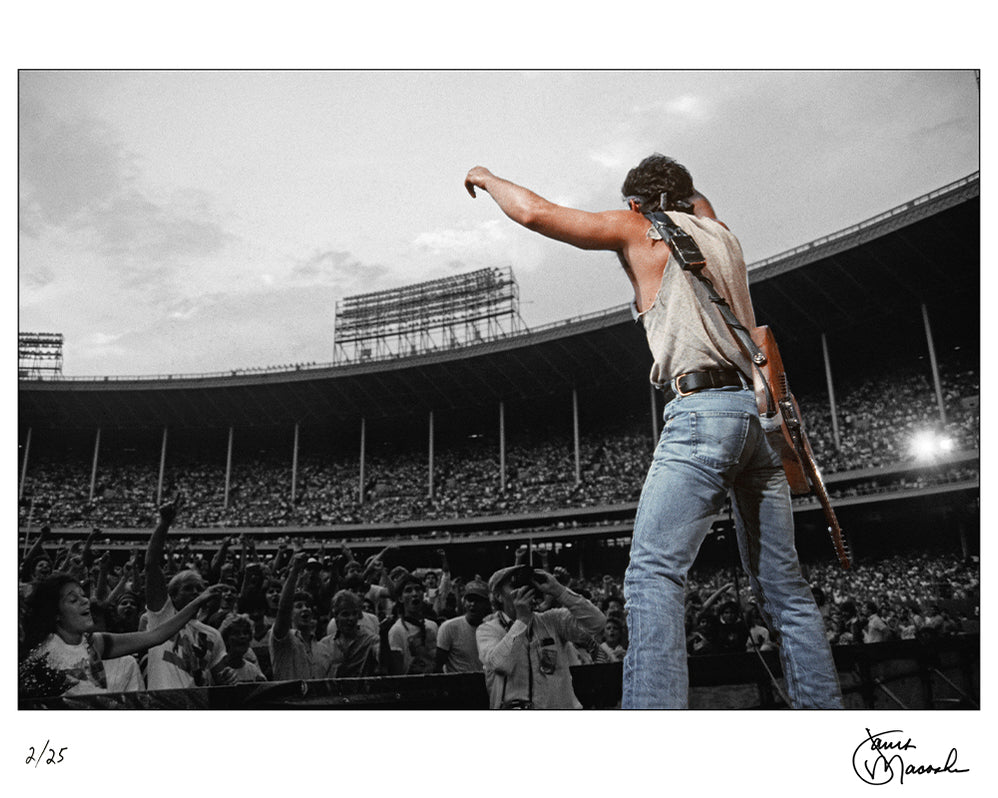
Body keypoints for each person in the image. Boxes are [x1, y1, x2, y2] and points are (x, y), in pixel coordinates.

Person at [465, 156, 842, 709]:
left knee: (653, 575)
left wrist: (484, 176)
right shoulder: (722, 234)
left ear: (638, 204)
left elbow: (535, 214)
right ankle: (823, 713)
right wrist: (681, 191)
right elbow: (698, 202)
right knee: (786, 592)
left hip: (701, 413)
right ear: (689, 197)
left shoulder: (636, 227)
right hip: (757, 419)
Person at [20, 572, 227, 699]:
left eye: (84, 596)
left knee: (127, 663)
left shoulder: (94, 643)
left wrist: (199, 601)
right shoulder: (42, 656)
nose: (85, 602)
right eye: (73, 600)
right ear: (56, 614)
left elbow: (156, 636)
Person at [476, 565, 605, 709]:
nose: (523, 590)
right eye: (514, 585)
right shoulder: (488, 630)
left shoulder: (553, 620)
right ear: (498, 596)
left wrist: (559, 590)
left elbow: (597, 623)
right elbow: (501, 665)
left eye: (527, 586)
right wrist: (522, 620)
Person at [143, 495, 236, 690]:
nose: (196, 593)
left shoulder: (212, 635)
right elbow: (151, 564)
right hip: (163, 708)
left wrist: (228, 679)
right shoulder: (162, 617)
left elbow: (221, 681)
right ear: (173, 595)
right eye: (188, 588)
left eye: (200, 589)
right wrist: (164, 524)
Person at [317, 590, 379, 678]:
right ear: (336, 616)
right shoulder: (325, 645)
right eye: (345, 614)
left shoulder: (370, 641)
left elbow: (382, 658)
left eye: (354, 613)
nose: (351, 618)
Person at [434, 578, 491, 673]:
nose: (473, 604)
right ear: (464, 602)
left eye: (478, 601)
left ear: (486, 604)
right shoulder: (448, 627)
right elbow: (437, 665)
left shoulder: (492, 629)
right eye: (470, 600)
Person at [386, 573, 438, 675]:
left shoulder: (432, 626)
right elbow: (397, 672)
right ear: (400, 598)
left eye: (418, 589)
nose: (414, 594)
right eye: (408, 590)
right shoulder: (397, 631)